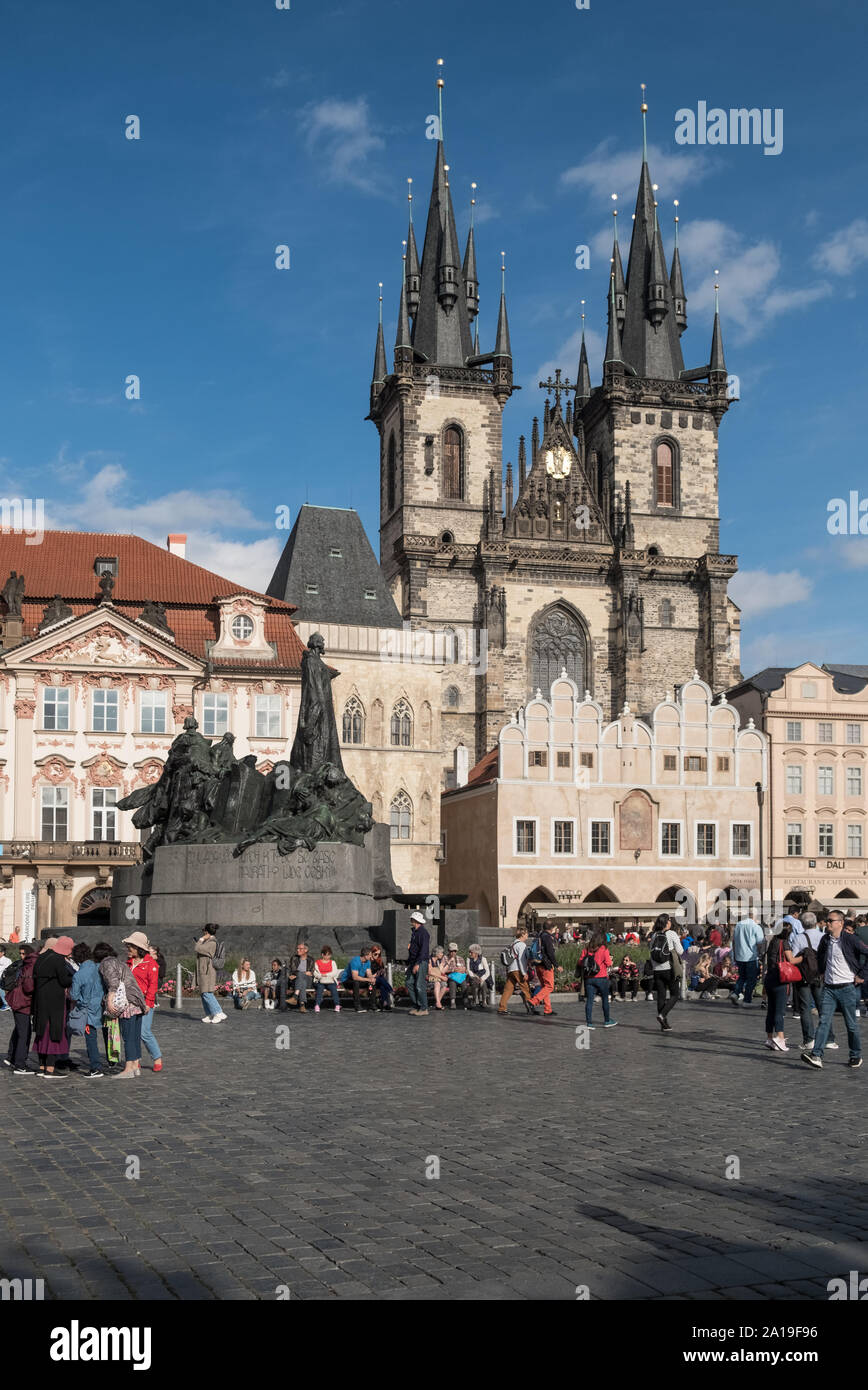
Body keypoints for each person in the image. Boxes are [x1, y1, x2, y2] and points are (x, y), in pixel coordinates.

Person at [801, 910, 868, 1071]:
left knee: (851, 1024)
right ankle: (816, 1055)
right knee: (824, 1021)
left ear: (840, 923)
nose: (828, 923)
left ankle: (855, 1055)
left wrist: (862, 975)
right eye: (827, 920)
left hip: (847, 987)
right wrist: (822, 972)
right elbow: (821, 957)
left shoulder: (851, 939)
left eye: (831, 920)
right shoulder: (825, 940)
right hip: (829, 988)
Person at [98, 944, 146, 1079]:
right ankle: (136, 1065)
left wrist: (109, 999)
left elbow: (113, 981)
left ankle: (128, 1068)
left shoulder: (106, 963)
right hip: (136, 1000)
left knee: (128, 1036)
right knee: (135, 1036)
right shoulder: (119, 962)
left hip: (127, 1003)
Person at [31, 935, 75, 1078]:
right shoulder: (58, 960)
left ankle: (42, 1066)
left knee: (41, 1032)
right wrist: (74, 978)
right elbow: (63, 980)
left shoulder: (42, 957)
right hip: (54, 1002)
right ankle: (50, 1069)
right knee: (53, 1033)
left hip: (40, 1000)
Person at [125, 932, 162, 1071]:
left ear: (138, 948)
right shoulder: (128, 962)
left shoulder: (150, 963)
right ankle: (135, 1059)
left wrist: (148, 1002)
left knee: (143, 1032)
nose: (128, 949)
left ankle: (157, 1057)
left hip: (145, 1002)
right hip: (130, 1002)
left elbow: (153, 985)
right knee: (132, 1032)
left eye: (131, 946)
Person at [70, 942, 107, 1077]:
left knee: (91, 1038)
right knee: (107, 1033)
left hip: (87, 1009)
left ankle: (95, 1066)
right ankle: (111, 1060)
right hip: (103, 1006)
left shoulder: (78, 975)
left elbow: (73, 995)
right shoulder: (99, 967)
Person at [763, 922, 798, 1052]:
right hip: (780, 979)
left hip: (770, 978)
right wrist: (804, 956)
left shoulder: (772, 942)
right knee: (780, 1011)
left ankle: (769, 1038)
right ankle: (780, 1038)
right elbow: (791, 960)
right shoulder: (785, 943)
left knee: (771, 1011)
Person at [3, 942, 38, 1074]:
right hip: (21, 1002)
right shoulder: (28, 966)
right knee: (24, 1033)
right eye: (20, 954)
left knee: (19, 1029)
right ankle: (20, 1064)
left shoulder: (24, 965)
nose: (21, 956)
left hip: (17, 1000)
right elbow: (29, 987)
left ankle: (12, 1057)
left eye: (23, 953)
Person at [649, 912, 683, 1032]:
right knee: (675, 995)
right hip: (669, 969)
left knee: (661, 997)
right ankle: (662, 1015)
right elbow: (680, 951)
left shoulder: (654, 935)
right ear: (666, 922)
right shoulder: (672, 934)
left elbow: (651, 952)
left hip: (657, 970)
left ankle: (664, 1025)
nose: (670, 922)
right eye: (669, 920)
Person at [579, 931, 618, 1028]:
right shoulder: (604, 949)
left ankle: (589, 1023)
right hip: (601, 978)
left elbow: (580, 962)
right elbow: (609, 964)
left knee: (589, 1001)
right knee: (605, 999)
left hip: (589, 978)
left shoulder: (587, 949)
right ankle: (607, 1021)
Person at [497, 926, 536, 1016]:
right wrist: (524, 973)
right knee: (526, 989)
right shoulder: (522, 945)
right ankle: (530, 1008)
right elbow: (521, 960)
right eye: (526, 934)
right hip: (518, 970)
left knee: (508, 989)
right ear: (522, 934)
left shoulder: (513, 944)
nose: (527, 936)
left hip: (511, 969)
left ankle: (502, 1008)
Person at [730, 913, 765, 1006]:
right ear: (754, 916)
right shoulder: (756, 926)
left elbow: (733, 941)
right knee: (751, 979)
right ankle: (747, 1000)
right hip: (751, 957)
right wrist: (761, 953)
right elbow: (760, 943)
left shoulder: (738, 925)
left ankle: (736, 993)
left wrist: (734, 954)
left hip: (739, 955)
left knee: (742, 977)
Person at [196, 923, 226, 1023]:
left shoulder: (212, 942)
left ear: (206, 932)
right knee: (203, 992)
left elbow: (198, 948)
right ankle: (209, 1014)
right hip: (204, 970)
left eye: (204, 931)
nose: (203, 933)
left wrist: (200, 940)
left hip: (208, 971)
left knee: (207, 992)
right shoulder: (208, 941)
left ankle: (218, 1012)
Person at [529, 921, 559, 1016]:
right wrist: (557, 965)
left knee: (544, 987)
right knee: (549, 986)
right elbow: (550, 953)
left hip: (538, 964)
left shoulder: (540, 935)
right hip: (546, 965)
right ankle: (533, 1001)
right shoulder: (547, 937)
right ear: (551, 928)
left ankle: (548, 1009)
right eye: (554, 928)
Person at [406, 910, 430, 1017]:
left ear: (415, 920)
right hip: (413, 961)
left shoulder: (423, 933)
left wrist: (418, 964)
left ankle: (424, 1008)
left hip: (420, 962)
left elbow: (424, 950)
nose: (410, 921)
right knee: (409, 983)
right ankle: (417, 1005)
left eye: (412, 919)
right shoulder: (415, 932)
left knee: (420, 985)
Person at [339, 948, 376, 1013]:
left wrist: (371, 978)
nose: (371, 956)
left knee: (371, 983)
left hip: (358, 980)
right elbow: (355, 977)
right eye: (370, 955)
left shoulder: (368, 962)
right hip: (347, 980)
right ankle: (357, 1006)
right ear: (365, 955)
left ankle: (372, 1004)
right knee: (356, 983)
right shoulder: (355, 961)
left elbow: (369, 973)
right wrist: (368, 979)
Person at [313, 947, 341, 1012]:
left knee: (334, 989)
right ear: (322, 955)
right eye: (327, 955)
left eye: (329, 955)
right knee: (319, 989)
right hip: (320, 980)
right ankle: (317, 1005)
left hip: (330, 980)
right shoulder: (317, 962)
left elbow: (334, 972)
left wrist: (326, 975)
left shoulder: (332, 962)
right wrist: (321, 976)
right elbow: (315, 973)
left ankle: (337, 1005)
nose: (328, 956)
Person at [443, 942, 468, 1010]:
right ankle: (453, 1002)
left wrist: (461, 970)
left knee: (464, 982)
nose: (453, 953)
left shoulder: (460, 958)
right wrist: (453, 970)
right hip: (450, 977)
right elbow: (443, 970)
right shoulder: (445, 958)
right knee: (452, 982)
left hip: (460, 976)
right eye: (451, 951)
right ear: (448, 951)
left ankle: (465, 1001)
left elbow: (464, 969)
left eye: (455, 951)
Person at [369, 944, 394, 1011]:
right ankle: (392, 992)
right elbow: (368, 974)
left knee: (382, 984)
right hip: (370, 981)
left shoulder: (380, 961)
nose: (377, 956)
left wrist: (382, 972)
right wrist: (376, 974)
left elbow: (382, 971)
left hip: (379, 980)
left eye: (379, 954)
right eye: (375, 954)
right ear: (371, 953)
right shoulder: (368, 961)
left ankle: (384, 1003)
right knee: (381, 980)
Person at [289, 943, 312, 1012]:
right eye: (297, 949)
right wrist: (303, 973)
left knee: (302, 977)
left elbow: (311, 972)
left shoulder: (311, 959)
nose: (298, 950)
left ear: (306, 950)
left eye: (300, 949)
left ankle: (295, 997)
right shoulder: (294, 958)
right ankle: (302, 1005)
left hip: (308, 980)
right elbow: (293, 970)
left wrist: (301, 973)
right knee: (302, 982)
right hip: (297, 980)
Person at [429, 946, 450, 1010]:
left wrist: (444, 976)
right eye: (441, 953)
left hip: (436, 978)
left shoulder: (438, 961)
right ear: (437, 953)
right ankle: (438, 1003)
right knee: (437, 983)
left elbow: (440, 972)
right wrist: (441, 977)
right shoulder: (429, 960)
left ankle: (437, 1003)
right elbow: (430, 972)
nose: (442, 954)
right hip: (428, 979)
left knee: (444, 985)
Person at [0, 941, 11, 1010]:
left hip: (2, 979)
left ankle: (7, 1004)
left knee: (1, 991)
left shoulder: (7, 960)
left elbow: (8, 971)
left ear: (3, 953)